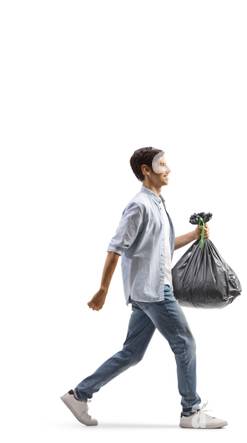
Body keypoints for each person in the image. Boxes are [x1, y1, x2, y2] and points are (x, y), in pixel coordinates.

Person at [61, 147, 227, 428]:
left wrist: (194, 235)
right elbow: (115, 248)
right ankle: (191, 412)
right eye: (161, 164)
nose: (168, 169)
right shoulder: (139, 205)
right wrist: (103, 289)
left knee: (132, 353)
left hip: (148, 290)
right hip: (152, 291)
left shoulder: (157, 204)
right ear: (145, 170)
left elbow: (161, 247)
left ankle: (80, 394)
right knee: (184, 343)